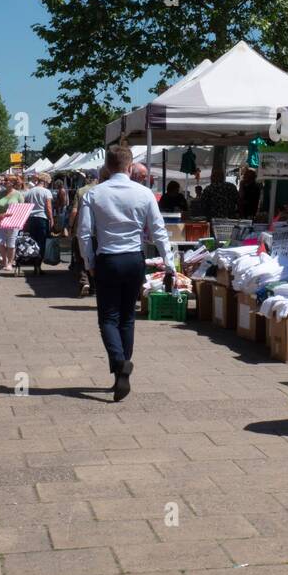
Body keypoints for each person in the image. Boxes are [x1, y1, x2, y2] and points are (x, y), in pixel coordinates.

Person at [78, 145, 174, 401]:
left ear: (107, 167)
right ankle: (122, 368)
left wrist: (89, 261)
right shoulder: (144, 193)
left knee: (108, 318)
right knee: (127, 317)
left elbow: (85, 232)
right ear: (130, 166)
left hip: (108, 258)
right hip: (134, 259)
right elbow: (159, 231)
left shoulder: (94, 194)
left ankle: (119, 363)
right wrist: (170, 262)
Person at [69, 170, 99, 297]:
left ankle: (84, 282)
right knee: (96, 258)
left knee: (81, 257)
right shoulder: (101, 191)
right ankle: (95, 287)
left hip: (80, 229)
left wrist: (70, 225)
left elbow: (74, 211)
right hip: (98, 232)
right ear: (97, 179)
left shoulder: (80, 191)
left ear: (86, 178)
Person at [0, 175, 24, 272]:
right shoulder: (0, 193)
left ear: (12, 183)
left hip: (13, 222)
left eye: (7, 180)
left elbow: (22, 210)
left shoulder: (18, 194)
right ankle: (5, 261)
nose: (4, 181)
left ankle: (10, 263)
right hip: (0, 221)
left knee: (11, 244)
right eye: (4, 180)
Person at [24, 172, 54, 274]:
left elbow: (25, 206)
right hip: (42, 218)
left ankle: (34, 265)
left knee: (33, 242)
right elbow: (49, 208)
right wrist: (51, 219)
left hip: (31, 219)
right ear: (45, 181)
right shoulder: (46, 192)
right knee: (41, 243)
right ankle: (38, 266)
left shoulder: (29, 192)